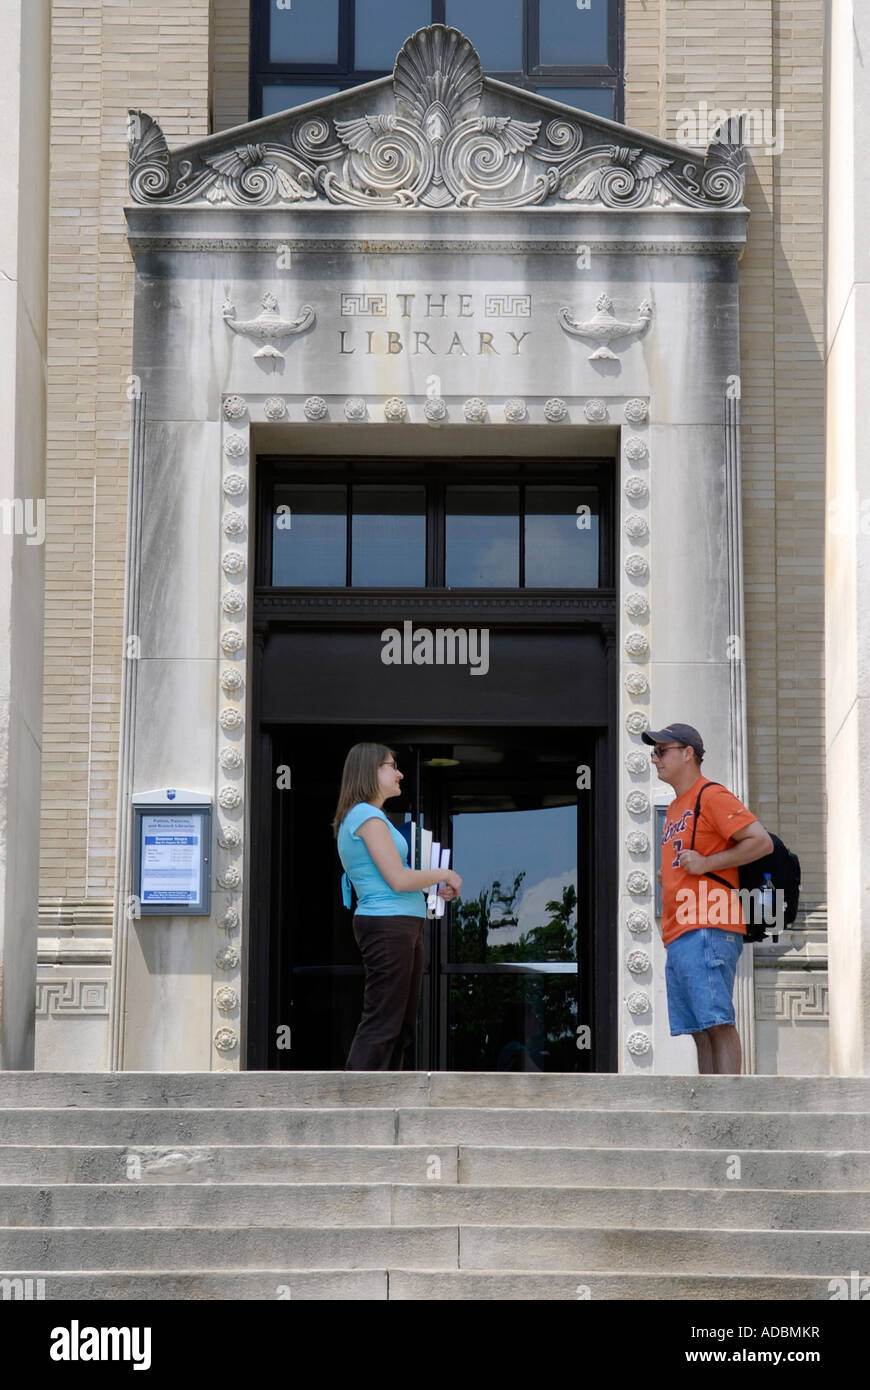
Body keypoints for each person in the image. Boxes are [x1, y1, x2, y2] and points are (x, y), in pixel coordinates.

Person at [642, 723, 773, 1075]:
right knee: (700, 1030)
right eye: (653, 752)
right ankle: (709, 1110)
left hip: (709, 925)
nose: (654, 759)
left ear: (688, 753)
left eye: (661, 751)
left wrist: (706, 864)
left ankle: (729, 1112)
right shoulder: (674, 809)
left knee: (716, 1022)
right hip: (680, 931)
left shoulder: (711, 795)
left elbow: (761, 842)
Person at [333, 742, 462, 1070]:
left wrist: (432, 885)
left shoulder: (371, 817)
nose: (400, 773)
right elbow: (398, 879)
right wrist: (444, 873)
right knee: (383, 1020)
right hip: (388, 924)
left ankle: (386, 1098)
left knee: (399, 1023)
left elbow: (395, 877)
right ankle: (358, 1103)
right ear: (370, 771)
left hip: (400, 923)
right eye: (392, 766)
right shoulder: (366, 815)